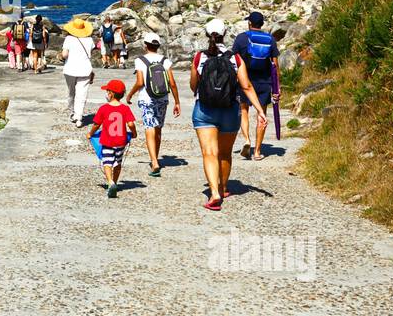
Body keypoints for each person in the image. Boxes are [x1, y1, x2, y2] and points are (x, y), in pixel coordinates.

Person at [189, 17, 266, 211]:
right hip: (230, 111)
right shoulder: (235, 58)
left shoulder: (200, 57)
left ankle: (214, 193)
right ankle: (223, 188)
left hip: (204, 110)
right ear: (224, 34)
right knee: (224, 153)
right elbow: (246, 86)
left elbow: (193, 86)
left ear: (207, 35)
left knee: (209, 153)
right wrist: (260, 110)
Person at [126, 31, 181, 177]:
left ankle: (154, 161)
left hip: (146, 98)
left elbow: (139, 82)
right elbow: (172, 83)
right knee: (158, 128)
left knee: (149, 127)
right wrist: (177, 102)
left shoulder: (140, 60)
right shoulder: (165, 61)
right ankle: (155, 157)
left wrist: (130, 94)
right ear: (158, 46)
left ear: (146, 45)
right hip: (162, 98)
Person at [232, 11, 279, 161]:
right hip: (265, 82)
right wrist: (277, 86)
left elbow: (235, 61)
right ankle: (257, 151)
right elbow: (275, 65)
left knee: (244, 110)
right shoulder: (270, 39)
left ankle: (247, 140)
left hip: (246, 82)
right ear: (262, 24)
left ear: (250, 23)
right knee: (261, 114)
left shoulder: (241, 38)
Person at [91, 79, 136, 199]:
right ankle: (115, 182)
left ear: (110, 93)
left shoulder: (104, 108)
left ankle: (110, 182)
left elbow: (96, 124)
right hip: (121, 142)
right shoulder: (125, 109)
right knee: (118, 162)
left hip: (107, 141)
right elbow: (131, 124)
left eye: (107, 91)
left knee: (107, 162)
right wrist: (134, 133)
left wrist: (90, 134)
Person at [59, 18, 96, 125]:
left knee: (71, 92)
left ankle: (73, 112)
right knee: (82, 93)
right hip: (85, 69)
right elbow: (90, 53)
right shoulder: (90, 40)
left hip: (70, 69)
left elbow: (65, 55)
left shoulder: (69, 39)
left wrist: (60, 56)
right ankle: (79, 117)